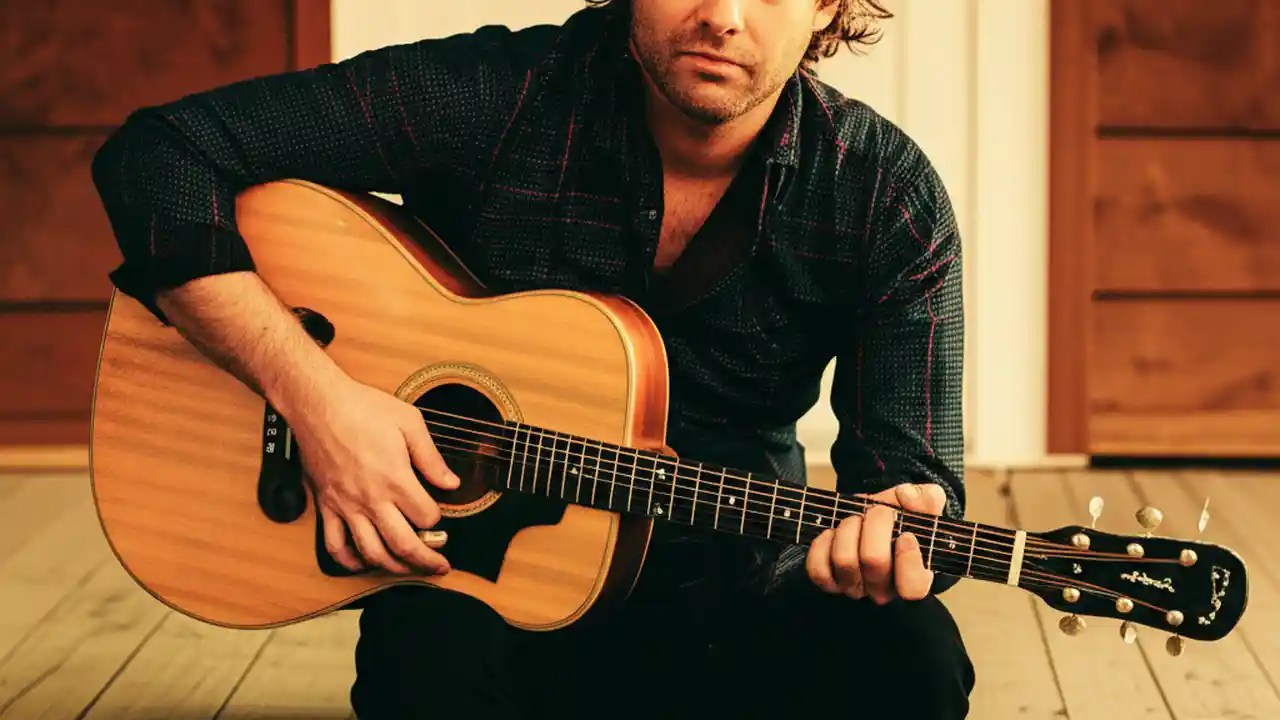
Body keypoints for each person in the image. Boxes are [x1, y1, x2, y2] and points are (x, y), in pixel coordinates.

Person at [91, 0, 974, 717]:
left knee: (913, 658)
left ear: (827, 6)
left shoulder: (884, 195)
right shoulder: (497, 96)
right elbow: (160, 156)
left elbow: (910, 480)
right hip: (486, 606)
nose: (723, 15)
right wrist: (318, 401)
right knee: (426, 662)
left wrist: (896, 532)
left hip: (732, 597)